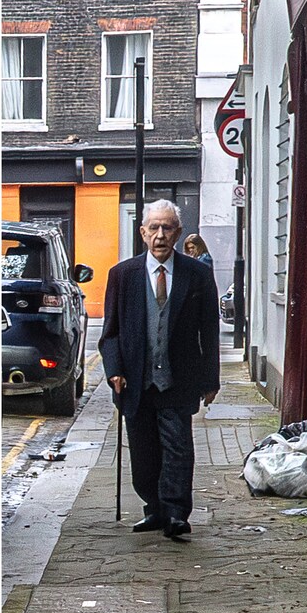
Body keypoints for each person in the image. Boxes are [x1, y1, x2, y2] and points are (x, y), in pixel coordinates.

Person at [100, 199, 220, 542]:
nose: (160, 235)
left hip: (179, 378)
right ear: (142, 233)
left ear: (178, 233)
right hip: (135, 379)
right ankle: (153, 508)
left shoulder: (197, 274)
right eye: (153, 227)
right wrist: (114, 371)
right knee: (144, 450)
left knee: (179, 448)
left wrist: (210, 378)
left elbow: (208, 330)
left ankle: (177, 514)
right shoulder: (122, 275)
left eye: (167, 228)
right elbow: (111, 333)